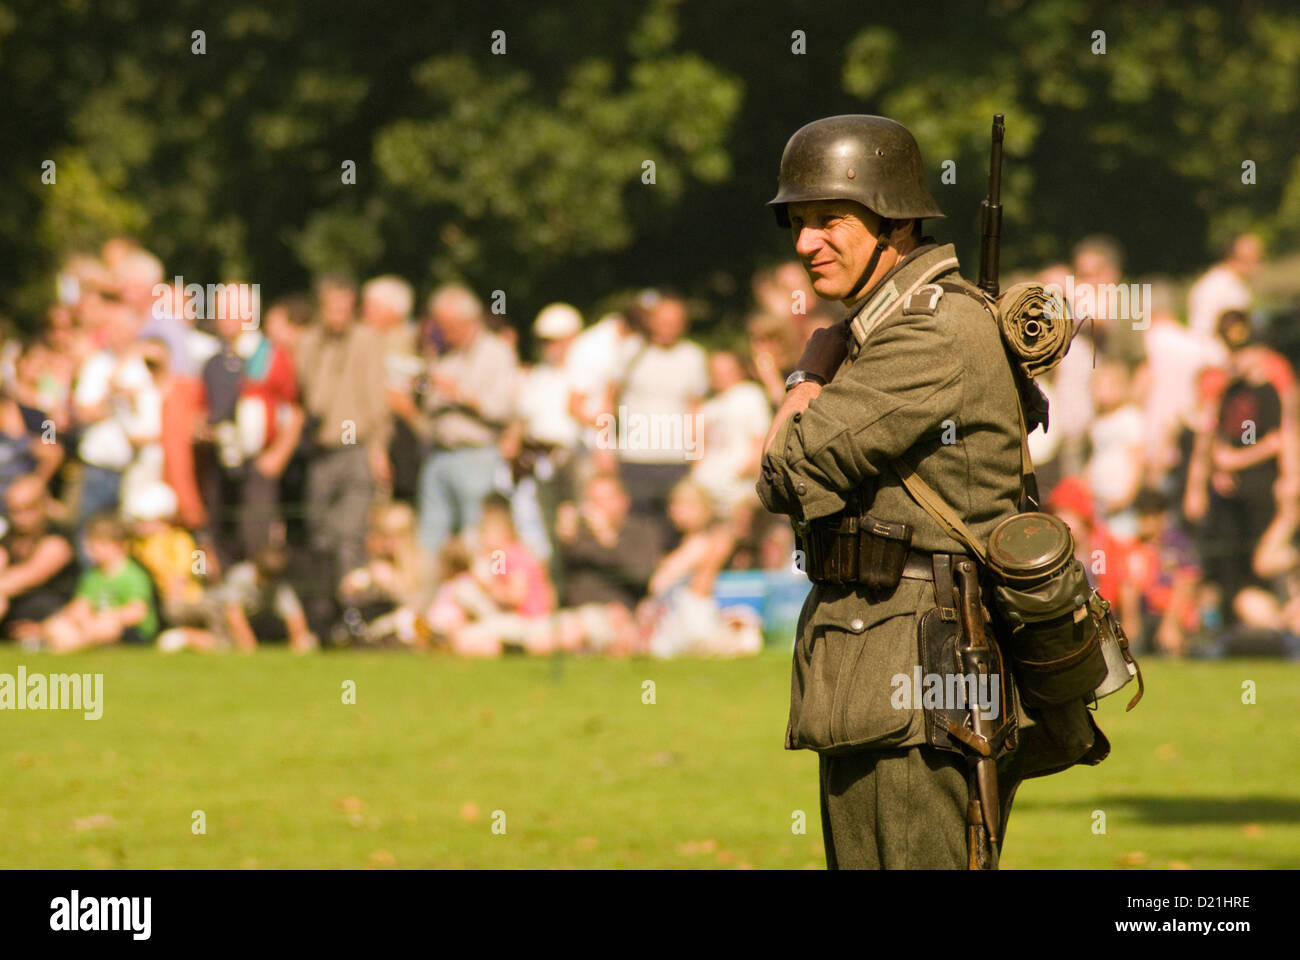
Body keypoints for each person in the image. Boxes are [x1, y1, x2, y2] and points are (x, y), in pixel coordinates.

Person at [755, 114, 1107, 870]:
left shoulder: (930, 333)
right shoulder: (887, 331)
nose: (804, 242)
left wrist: (807, 375)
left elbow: (783, 471)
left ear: (896, 222)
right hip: (883, 674)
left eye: (829, 220)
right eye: (799, 221)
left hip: (917, 681)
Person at [414, 284, 517, 557]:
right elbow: (428, 406)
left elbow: (502, 409)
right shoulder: (443, 354)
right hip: (438, 454)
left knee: (476, 535)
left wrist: (458, 392)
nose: (441, 332)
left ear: (467, 321)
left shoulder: (497, 353)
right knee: (430, 537)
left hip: (477, 456)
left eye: (446, 325)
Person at [36, 512, 159, 652]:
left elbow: (136, 613)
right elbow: (80, 605)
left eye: (98, 545)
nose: (91, 551)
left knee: (107, 626)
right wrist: (81, 619)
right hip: (94, 624)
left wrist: (108, 617)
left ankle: (75, 643)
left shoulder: (134, 575)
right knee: (57, 624)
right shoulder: (93, 576)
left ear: (119, 545)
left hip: (129, 631)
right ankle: (74, 640)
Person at [0, 475, 78, 640]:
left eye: (28, 508)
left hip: (51, 612)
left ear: (43, 505)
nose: (20, 517)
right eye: (14, 510)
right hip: (13, 612)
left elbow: (29, 576)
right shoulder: (9, 538)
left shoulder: (57, 538)